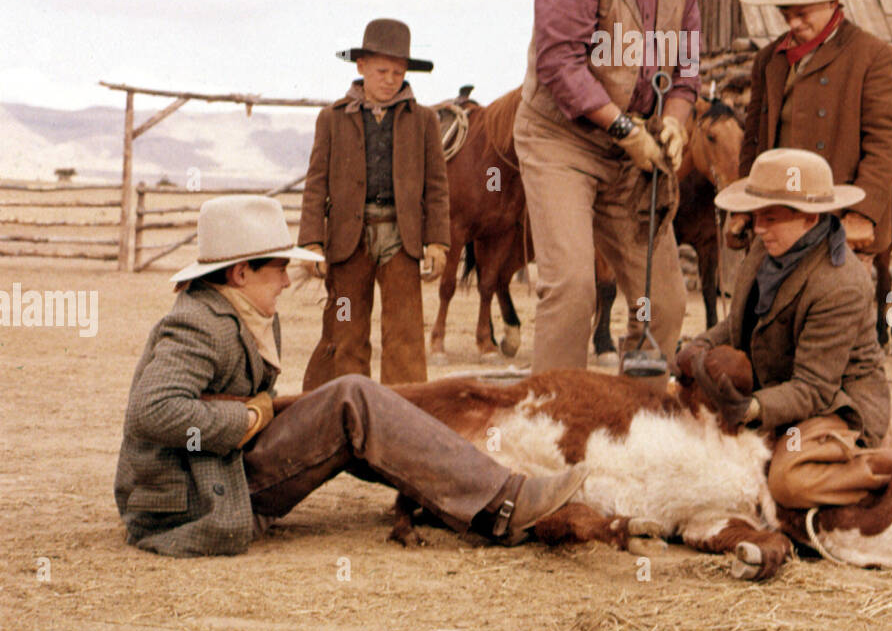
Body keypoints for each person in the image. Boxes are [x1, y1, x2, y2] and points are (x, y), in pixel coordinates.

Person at [114, 196, 586, 558]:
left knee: (357, 404)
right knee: (352, 398)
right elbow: (153, 411)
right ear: (240, 273)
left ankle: (485, 498)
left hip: (224, 467)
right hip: (196, 494)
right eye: (279, 268)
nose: (285, 280)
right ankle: (503, 502)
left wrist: (257, 413)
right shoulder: (198, 323)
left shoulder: (243, 311)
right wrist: (248, 419)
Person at [677, 149, 892, 513]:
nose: (758, 228)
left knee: (788, 482)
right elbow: (739, 322)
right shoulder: (767, 247)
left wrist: (751, 408)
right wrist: (694, 349)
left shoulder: (839, 284)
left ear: (808, 218)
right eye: (757, 215)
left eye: (770, 217)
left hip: (837, 406)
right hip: (782, 390)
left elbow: (813, 389)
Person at [514, 0, 714, 374]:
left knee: (666, 305)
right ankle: (551, 426)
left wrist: (674, 120)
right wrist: (626, 128)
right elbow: (560, 65)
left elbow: (688, 68)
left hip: (635, 153)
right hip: (563, 142)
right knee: (573, 290)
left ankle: (634, 428)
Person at [733, 0, 892, 278]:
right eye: (785, 14)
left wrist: (862, 214)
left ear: (832, 2)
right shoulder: (769, 60)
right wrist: (743, 208)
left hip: (838, 222)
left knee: (834, 322)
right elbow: (753, 143)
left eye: (802, 14)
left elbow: (883, 145)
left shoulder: (871, 55)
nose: (793, 24)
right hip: (777, 220)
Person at [298, 18, 449, 389]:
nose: (390, 79)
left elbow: (437, 188)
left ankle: (404, 413)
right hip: (349, 241)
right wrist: (311, 242)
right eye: (381, 70)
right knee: (346, 329)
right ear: (361, 66)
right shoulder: (332, 119)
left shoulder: (424, 121)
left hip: (402, 238)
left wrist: (439, 242)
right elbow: (316, 184)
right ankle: (346, 410)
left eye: (398, 72)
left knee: (405, 334)